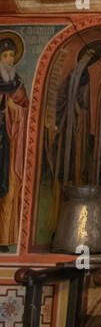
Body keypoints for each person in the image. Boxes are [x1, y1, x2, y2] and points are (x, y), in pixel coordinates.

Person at [0, 36, 28, 249]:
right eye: (5, 55)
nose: (9, 60)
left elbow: (25, 109)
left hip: (10, 144)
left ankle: (5, 238)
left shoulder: (18, 83)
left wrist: (12, 106)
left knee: (10, 189)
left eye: (11, 55)